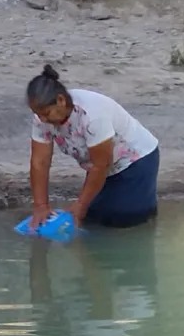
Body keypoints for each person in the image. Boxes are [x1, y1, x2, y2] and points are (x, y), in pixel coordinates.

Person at [27, 64, 160, 229]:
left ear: (61, 101)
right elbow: (39, 162)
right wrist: (41, 206)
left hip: (136, 159)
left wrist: (81, 205)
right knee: (93, 219)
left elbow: (101, 165)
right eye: (38, 114)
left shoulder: (91, 116)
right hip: (102, 165)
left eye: (46, 114)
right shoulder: (41, 119)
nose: (42, 120)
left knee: (124, 219)